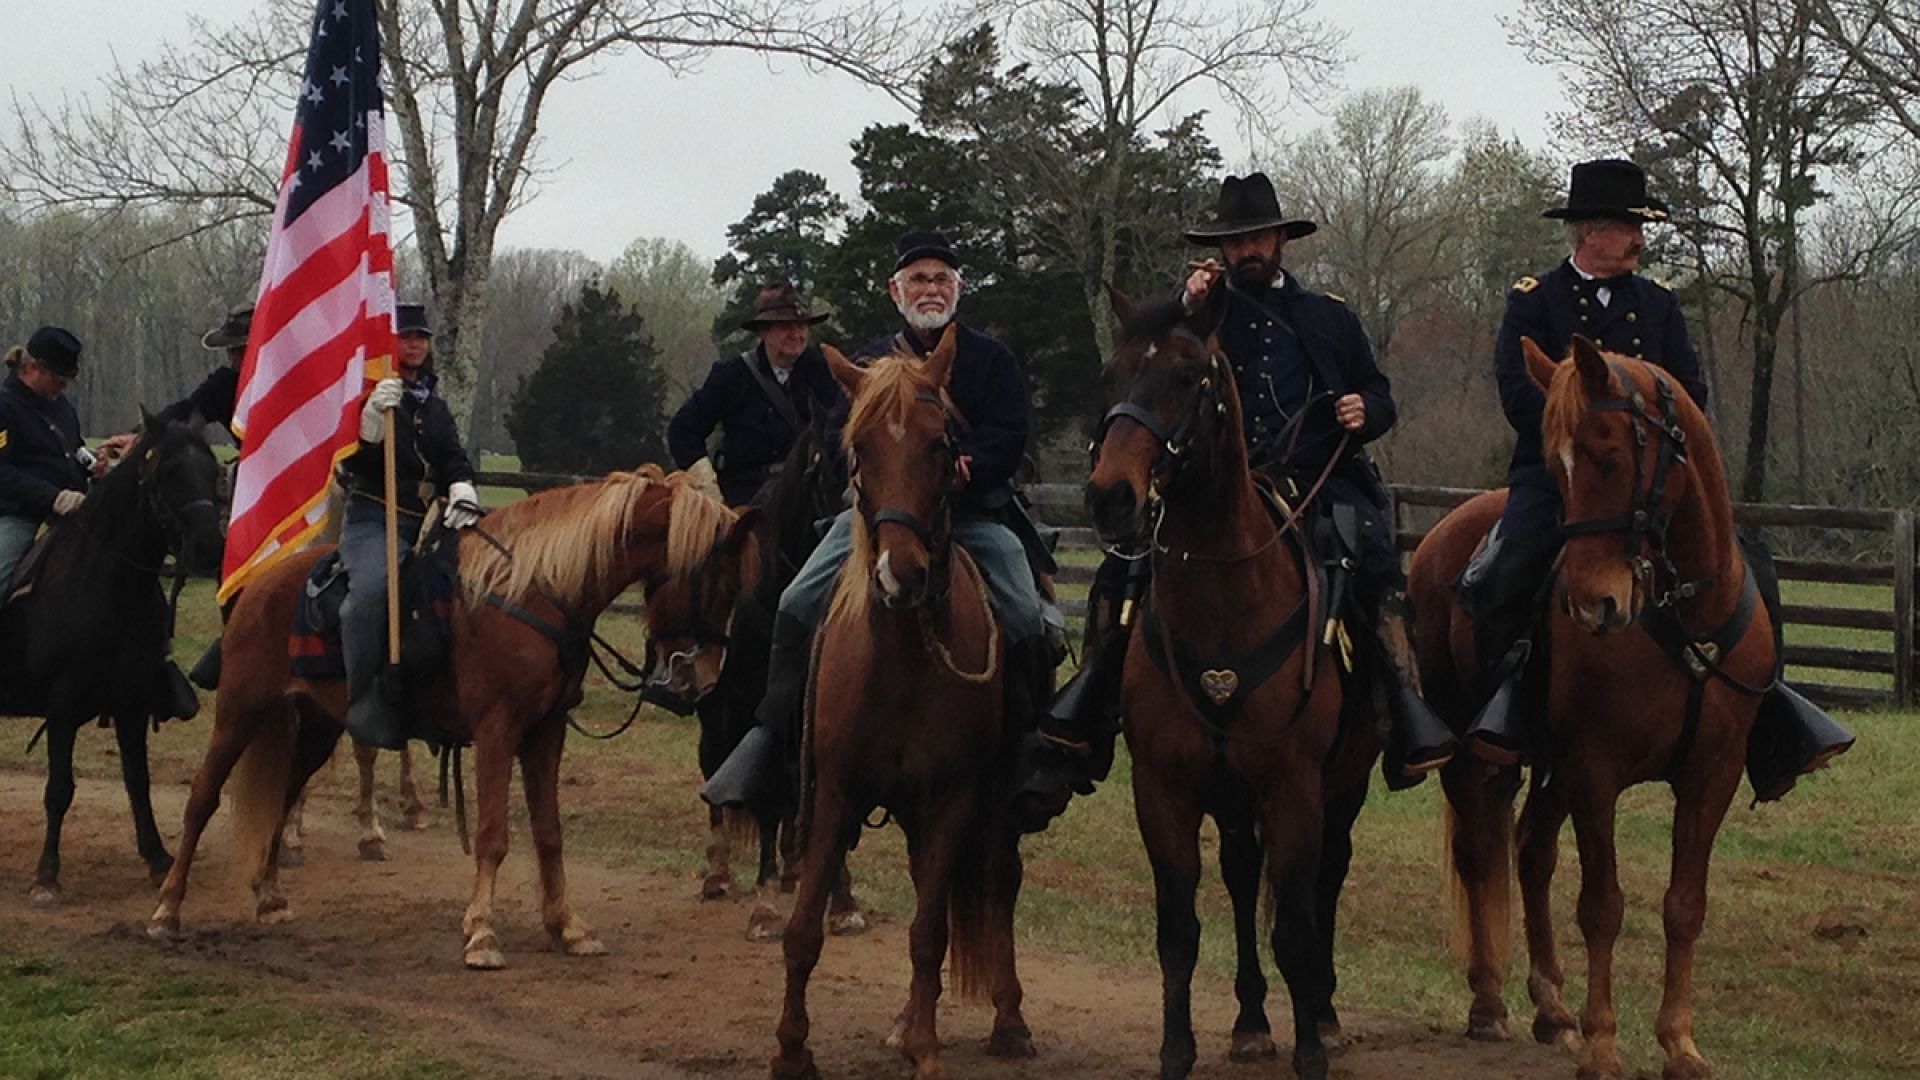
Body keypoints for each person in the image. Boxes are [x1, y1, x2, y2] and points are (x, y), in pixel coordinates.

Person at [1027, 172, 1460, 806]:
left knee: (1368, 565)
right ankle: (1090, 704)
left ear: (1280, 240)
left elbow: (1380, 391)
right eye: (1234, 242)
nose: (1246, 251)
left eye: (1256, 237)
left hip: (1315, 478)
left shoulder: (1328, 316)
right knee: (1122, 569)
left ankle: (1401, 706)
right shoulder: (1194, 315)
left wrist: (1365, 409)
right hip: (1207, 486)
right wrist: (1184, 297)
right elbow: (1144, 353)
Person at [1458, 157, 1850, 796]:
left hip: (1649, 484)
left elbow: (1690, 393)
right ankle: (1507, 708)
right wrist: (1585, 436)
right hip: (1557, 476)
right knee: (1505, 574)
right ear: (1589, 230)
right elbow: (1515, 392)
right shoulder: (1536, 301)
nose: (1640, 239)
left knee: (1753, 566)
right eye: (1628, 226)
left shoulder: (1659, 304)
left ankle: (1770, 707)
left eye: (1640, 227)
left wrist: (1647, 445)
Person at [700, 230, 1051, 812]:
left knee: (1022, 609)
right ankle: (770, 739)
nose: (930, 289)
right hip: (880, 520)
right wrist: (876, 472)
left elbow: (1010, 437)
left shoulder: (991, 359)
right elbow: (837, 442)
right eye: (919, 279)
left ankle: (1029, 745)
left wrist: (970, 466)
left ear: (958, 289)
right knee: (794, 603)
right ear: (896, 290)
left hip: (972, 517)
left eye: (941, 279)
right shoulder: (866, 361)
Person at [336, 303, 481, 749]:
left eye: (421, 336)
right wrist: (369, 426)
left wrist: (461, 487)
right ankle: (364, 696)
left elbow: (452, 456)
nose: (414, 343)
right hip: (372, 519)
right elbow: (352, 462)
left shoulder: (434, 407)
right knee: (369, 594)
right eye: (405, 336)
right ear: (388, 342)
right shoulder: (370, 400)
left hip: (426, 523)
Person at [667, 283, 842, 506]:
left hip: (813, 497)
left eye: (801, 325)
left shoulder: (826, 372)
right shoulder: (731, 376)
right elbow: (682, 431)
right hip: (746, 498)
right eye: (785, 326)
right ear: (763, 331)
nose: (796, 334)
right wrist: (707, 486)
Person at [0, 327, 93, 591]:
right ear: (31, 368)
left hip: (76, 509)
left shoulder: (60, 405)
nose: (63, 386)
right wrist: (52, 497)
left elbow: (74, 447)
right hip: (21, 516)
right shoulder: (4, 408)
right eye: (57, 378)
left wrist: (91, 464)